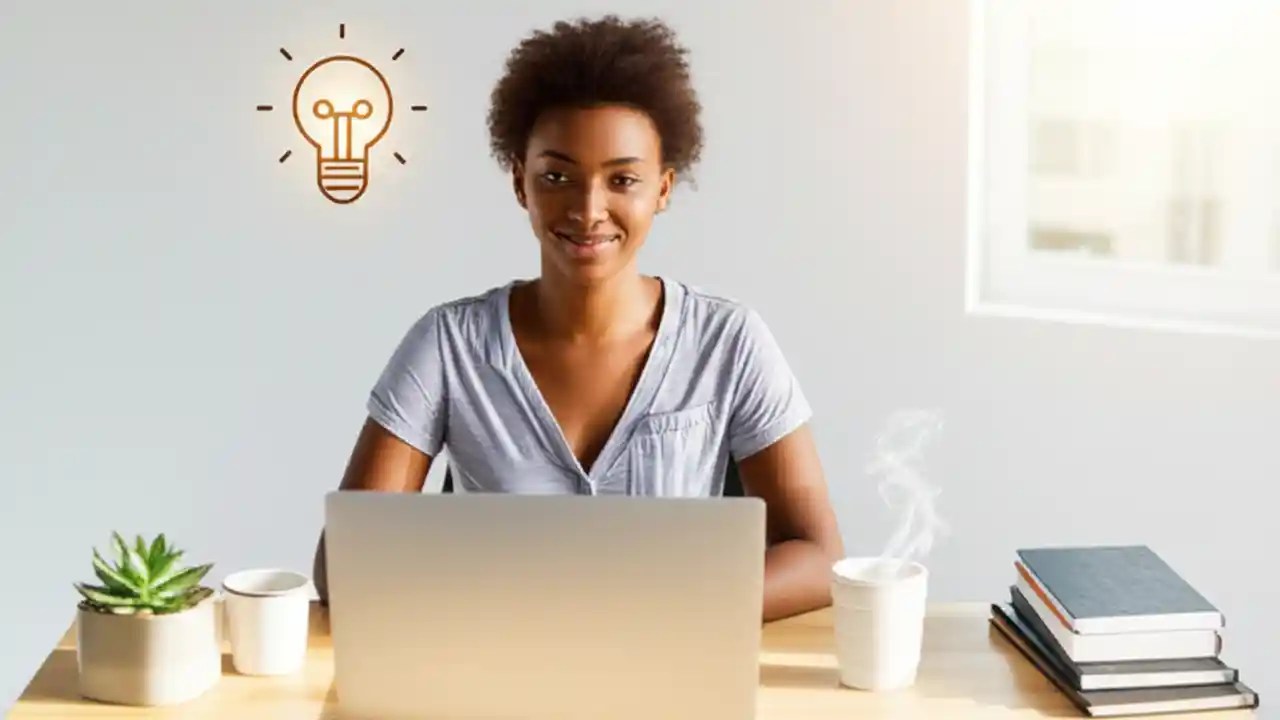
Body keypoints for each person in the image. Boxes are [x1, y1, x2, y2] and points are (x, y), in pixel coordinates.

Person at [313, 14, 844, 622]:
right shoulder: (449, 344)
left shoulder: (729, 342)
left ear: (663, 188)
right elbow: (346, 564)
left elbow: (819, 555)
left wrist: (662, 609)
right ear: (521, 183)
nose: (589, 209)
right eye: (557, 176)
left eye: (623, 179)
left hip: (670, 676)